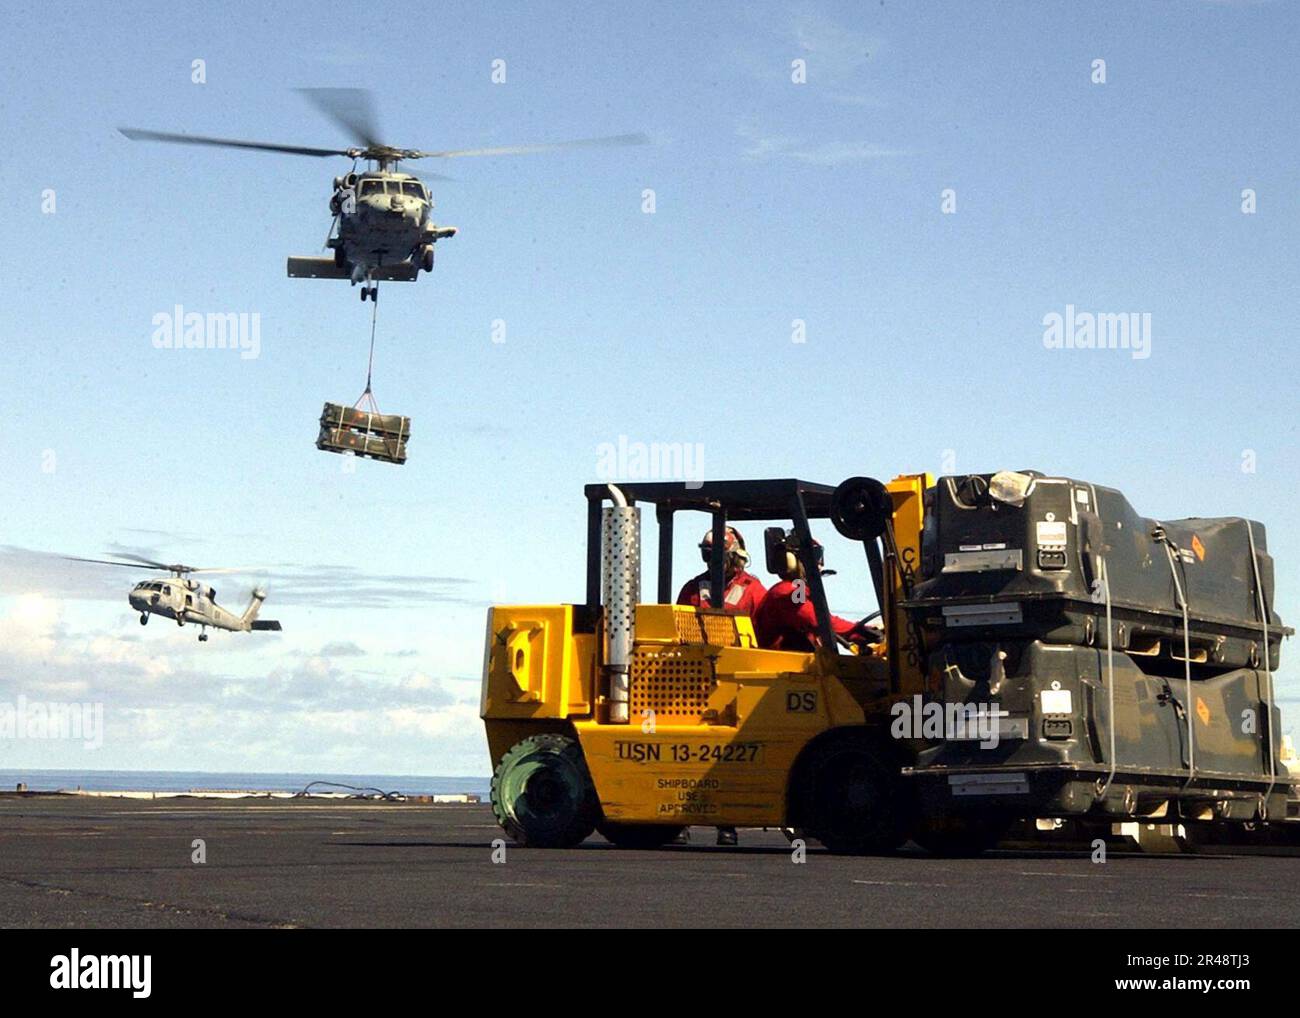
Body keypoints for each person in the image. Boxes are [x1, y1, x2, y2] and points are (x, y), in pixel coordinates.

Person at [751, 533, 873, 652]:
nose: (820, 566)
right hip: (780, 666)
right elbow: (818, 621)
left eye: (820, 557)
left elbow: (824, 625)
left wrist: (856, 634)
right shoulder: (786, 592)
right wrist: (855, 629)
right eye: (814, 557)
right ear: (792, 561)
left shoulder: (798, 590)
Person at [676, 526, 766, 615]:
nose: (712, 560)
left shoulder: (754, 591)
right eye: (707, 554)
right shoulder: (692, 590)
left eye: (719, 555)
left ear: (734, 557)